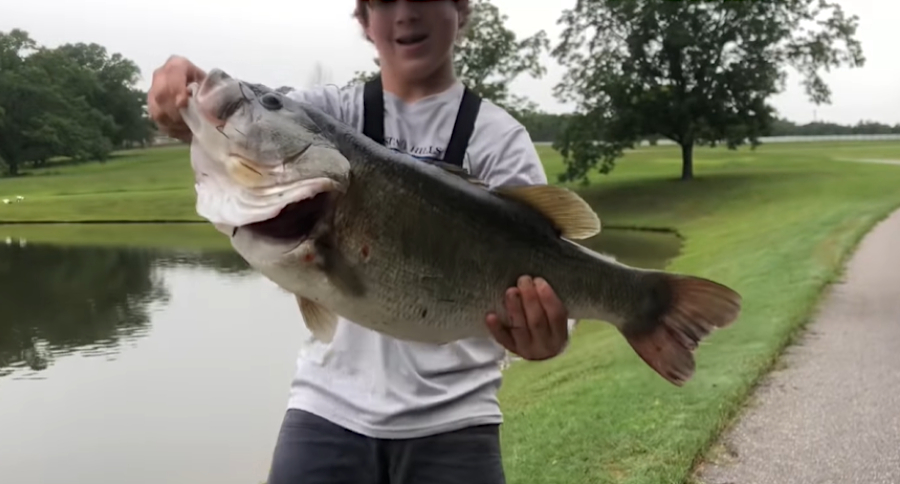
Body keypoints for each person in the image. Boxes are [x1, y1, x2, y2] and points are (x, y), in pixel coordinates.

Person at [147, 1, 575, 482]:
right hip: (325, 415)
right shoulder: (328, 114)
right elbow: (259, 117)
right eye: (385, 1)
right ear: (363, 20)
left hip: (457, 426)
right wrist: (184, 90)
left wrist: (548, 338)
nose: (406, 13)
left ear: (460, 8)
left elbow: (553, 274)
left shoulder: (499, 139)